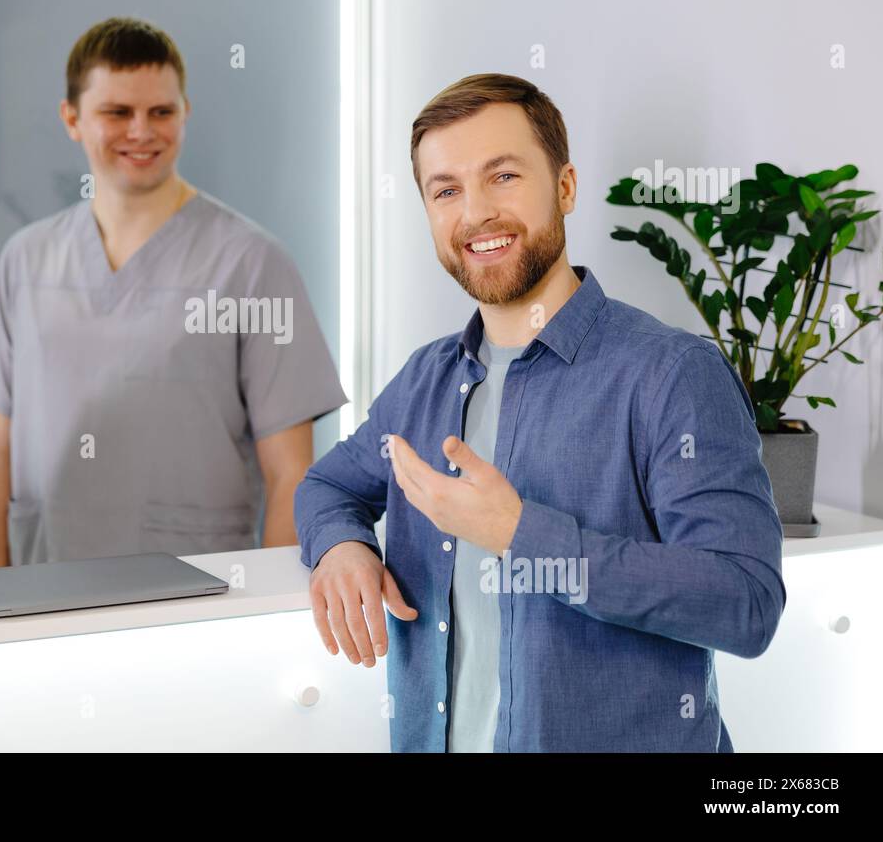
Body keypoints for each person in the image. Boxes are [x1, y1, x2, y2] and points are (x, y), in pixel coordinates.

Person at [295, 73, 786, 752]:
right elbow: (326, 486)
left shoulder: (672, 374)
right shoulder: (423, 382)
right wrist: (339, 549)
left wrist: (522, 534)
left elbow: (746, 603)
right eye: (446, 190)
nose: (475, 214)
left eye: (502, 176)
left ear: (565, 187)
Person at [0, 16, 346, 565]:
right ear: (71, 119)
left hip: (198, 594)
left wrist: (267, 610)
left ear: (185, 114)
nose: (141, 131)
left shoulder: (252, 263)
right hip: (40, 590)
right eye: (117, 112)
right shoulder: (26, 258)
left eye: (161, 112)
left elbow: (291, 474)